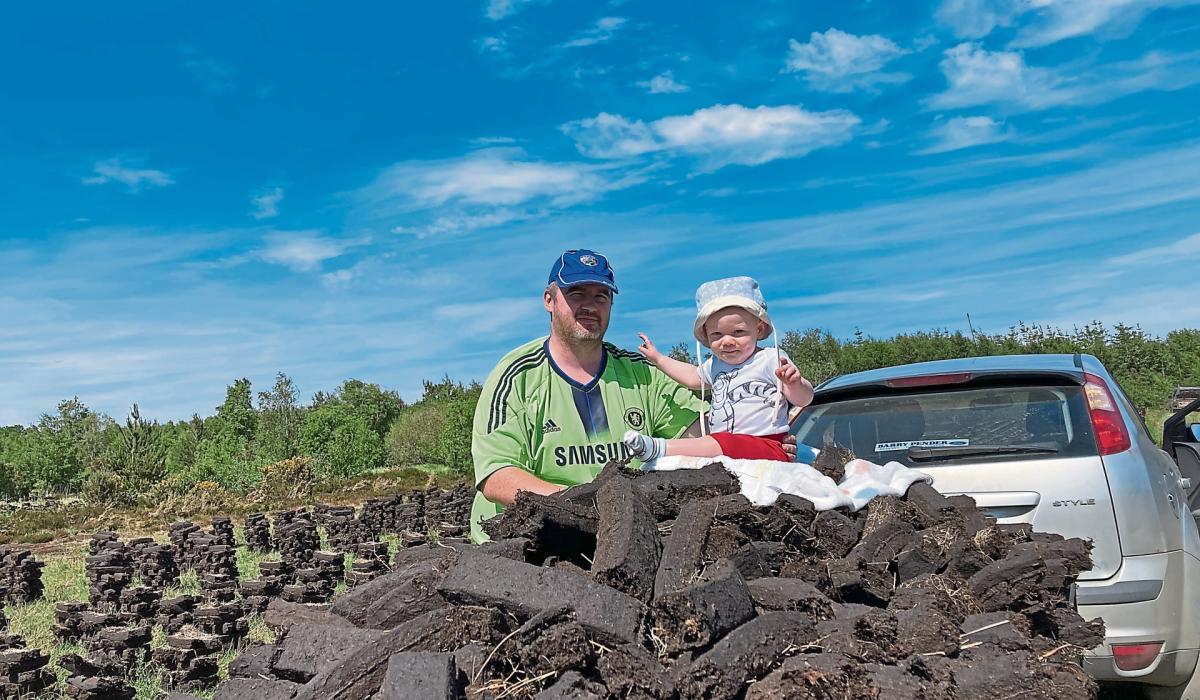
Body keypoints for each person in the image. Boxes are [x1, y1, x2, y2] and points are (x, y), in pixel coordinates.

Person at [469, 249, 710, 543]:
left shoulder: (642, 374)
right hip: (528, 536)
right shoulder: (515, 376)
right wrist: (587, 511)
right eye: (577, 294)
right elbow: (497, 477)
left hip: (620, 530)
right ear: (549, 300)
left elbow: (702, 434)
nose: (590, 306)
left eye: (601, 296)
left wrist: (766, 425)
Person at [623, 276, 814, 464]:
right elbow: (692, 377)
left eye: (738, 332)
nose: (727, 341)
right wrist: (659, 359)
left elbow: (804, 399)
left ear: (759, 329)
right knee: (718, 444)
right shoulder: (715, 365)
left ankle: (660, 449)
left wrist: (795, 384)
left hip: (768, 444)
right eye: (717, 334)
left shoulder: (770, 359)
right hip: (727, 447)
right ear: (706, 336)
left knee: (718, 442)